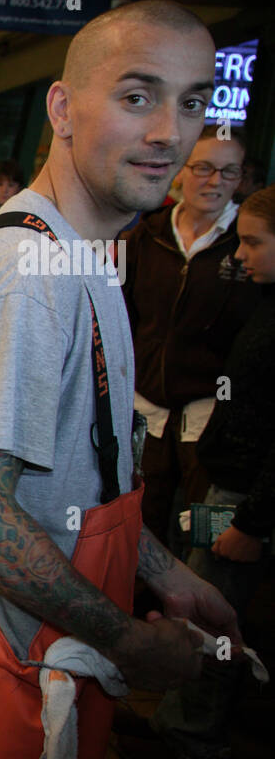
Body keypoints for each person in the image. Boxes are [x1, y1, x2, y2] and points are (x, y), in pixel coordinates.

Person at [0, 0, 243, 759]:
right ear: (61, 108)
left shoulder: (88, 255)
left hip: (46, 673)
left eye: (192, 102)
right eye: (137, 96)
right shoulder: (25, 276)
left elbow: (80, 481)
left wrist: (167, 575)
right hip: (1, 689)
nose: (168, 132)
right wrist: (127, 638)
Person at [116, 186, 275, 759]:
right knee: (199, 582)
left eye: (256, 242)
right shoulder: (259, 295)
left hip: (243, 498)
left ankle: (195, 740)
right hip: (222, 481)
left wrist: (255, 522)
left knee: (221, 604)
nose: (243, 253)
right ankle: (173, 721)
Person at [121, 127, 256, 556]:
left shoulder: (249, 243)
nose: (215, 181)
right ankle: (139, 617)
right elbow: (124, 316)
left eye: (229, 171)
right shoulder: (146, 235)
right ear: (180, 172)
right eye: (204, 168)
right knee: (139, 524)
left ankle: (198, 620)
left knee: (204, 534)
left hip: (212, 415)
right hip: (146, 409)